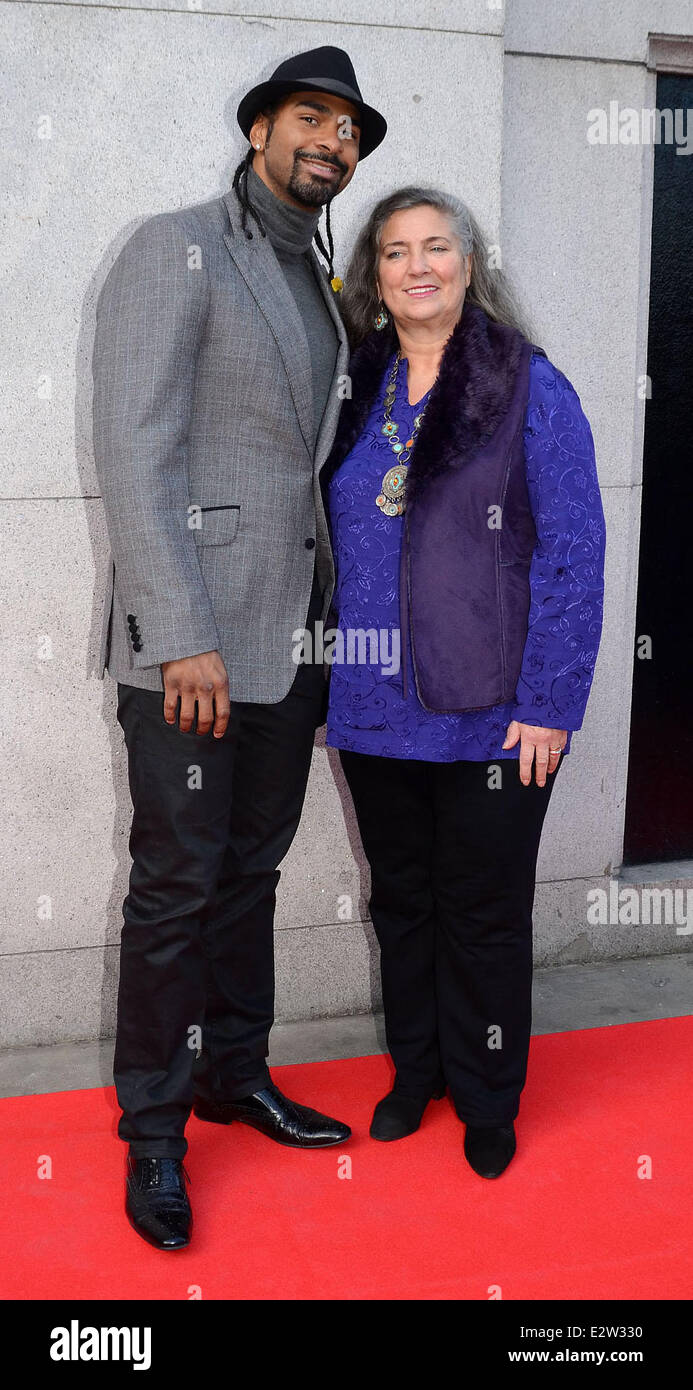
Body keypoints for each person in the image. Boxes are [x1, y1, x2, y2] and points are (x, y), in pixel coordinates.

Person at [91, 46, 387, 1249]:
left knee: (249, 878)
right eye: (310, 118)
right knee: (174, 888)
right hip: (195, 654)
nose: (333, 141)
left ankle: (234, 1072)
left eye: (349, 130)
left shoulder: (317, 273)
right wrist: (180, 642)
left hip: (292, 639)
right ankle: (154, 1135)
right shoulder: (179, 246)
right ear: (260, 127)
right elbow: (138, 452)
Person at [320, 186, 606, 1178]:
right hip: (366, 704)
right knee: (401, 897)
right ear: (376, 276)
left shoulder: (530, 385)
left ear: (471, 265)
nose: (417, 266)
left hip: (494, 711)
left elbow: (575, 548)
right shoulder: (350, 387)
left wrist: (551, 704)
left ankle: (488, 1097)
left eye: (436, 246)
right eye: (395, 252)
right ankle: (416, 1074)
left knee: (482, 908)